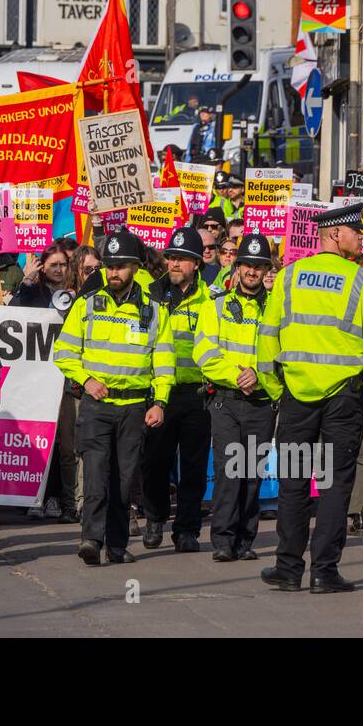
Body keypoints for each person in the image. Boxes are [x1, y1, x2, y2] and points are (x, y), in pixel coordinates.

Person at [256, 203, 363, 593]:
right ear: (336, 234)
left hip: (296, 397)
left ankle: (287, 568)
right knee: (335, 483)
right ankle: (324, 571)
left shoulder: (287, 276)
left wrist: (274, 389)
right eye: (357, 232)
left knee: (293, 482)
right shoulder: (362, 281)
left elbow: (266, 338)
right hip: (343, 398)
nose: (362, 238)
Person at [54, 231, 173, 565]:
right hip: (96, 406)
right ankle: (91, 538)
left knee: (123, 482)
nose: (114, 273)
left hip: (134, 407)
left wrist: (160, 402)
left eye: (120, 267)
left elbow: (164, 361)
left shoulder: (153, 311)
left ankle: (117, 545)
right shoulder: (87, 304)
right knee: (95, 476)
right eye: (109, 267)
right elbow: (63, 352)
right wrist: (86, 380)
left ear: (135, 268)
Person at [198, 233, 281, 561]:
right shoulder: (215, 305)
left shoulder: (277, 309)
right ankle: (222, 539)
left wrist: (258, 376)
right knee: (229, 471)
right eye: (247, 264)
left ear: (265, 270)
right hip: (227, 399)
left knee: (252, 473)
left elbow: (284, 353)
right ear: (236, 265)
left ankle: (245, 540)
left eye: (259, 266)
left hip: (261, 401)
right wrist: (236, 375)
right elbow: (204, 350)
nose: (252, 271)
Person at [141, 226, 211, 552]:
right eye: (171, 257)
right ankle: (155, 515)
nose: (175, 264)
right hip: (160, 394)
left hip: (197, 393)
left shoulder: (210, 298)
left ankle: (187, 530)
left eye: (183, 259)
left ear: (196, 263)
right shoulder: (152, 295)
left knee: (194, 467)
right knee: (155, 461)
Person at [10, 245, 71, 309]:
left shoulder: (75, 289)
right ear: (43, 268)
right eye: (53, 265)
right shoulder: (34, 292)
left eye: (63, 265)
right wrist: (28, 279)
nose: (59, 270)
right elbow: (15, 309)